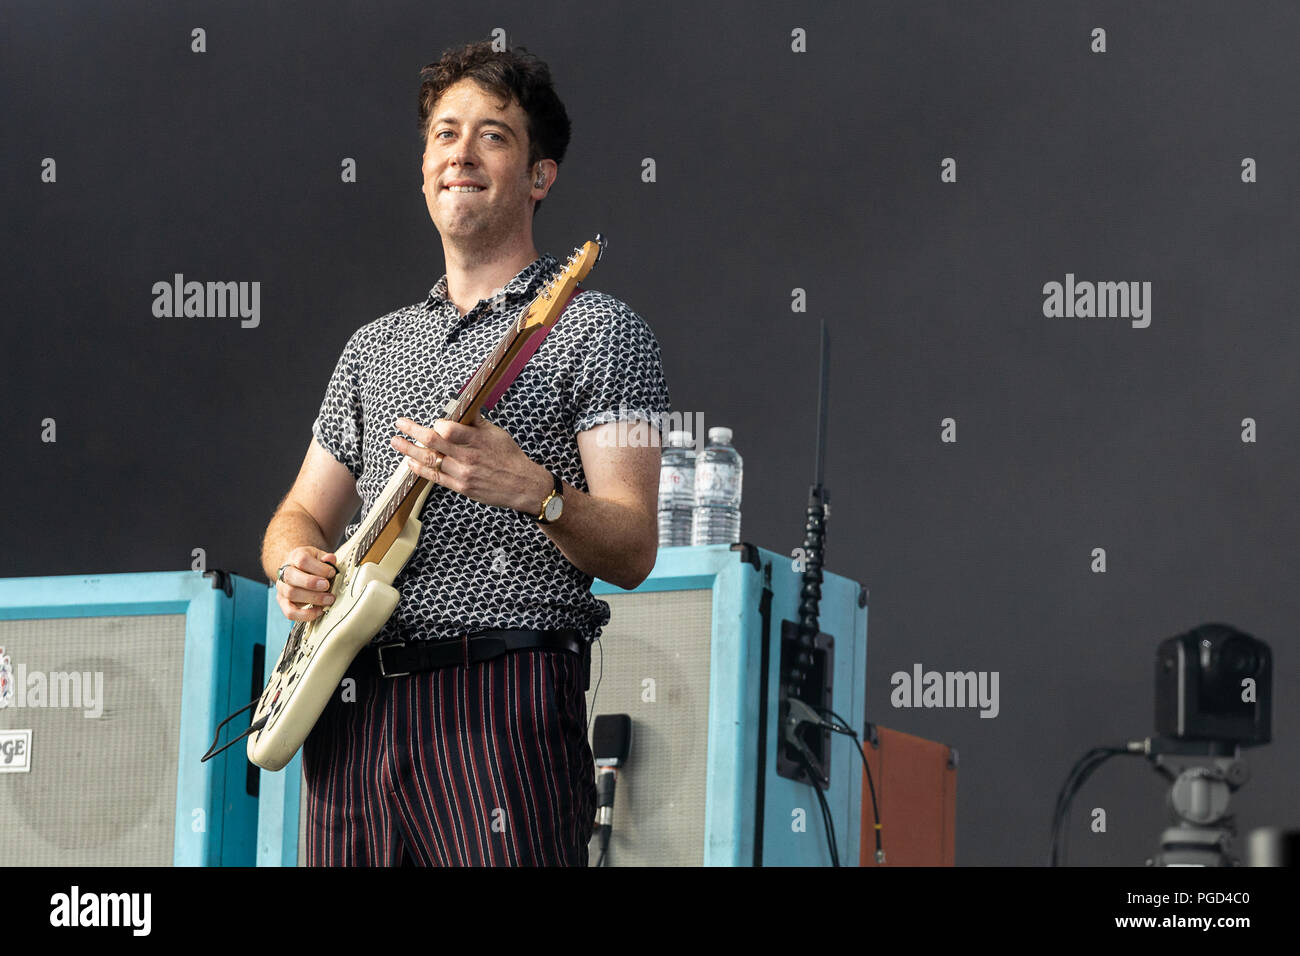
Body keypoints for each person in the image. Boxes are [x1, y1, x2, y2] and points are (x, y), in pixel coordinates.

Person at [259, 40, 669, 866]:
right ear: (423, 167)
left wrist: (537, 491)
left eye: (493, 136)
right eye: (444, 134)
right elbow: (299, 512)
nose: (461, 154)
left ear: (540, 176)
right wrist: (295, 562)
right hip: (349, 701)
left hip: (499, 707)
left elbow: (633, 548)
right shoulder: (373, 349)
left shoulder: (602, 329)